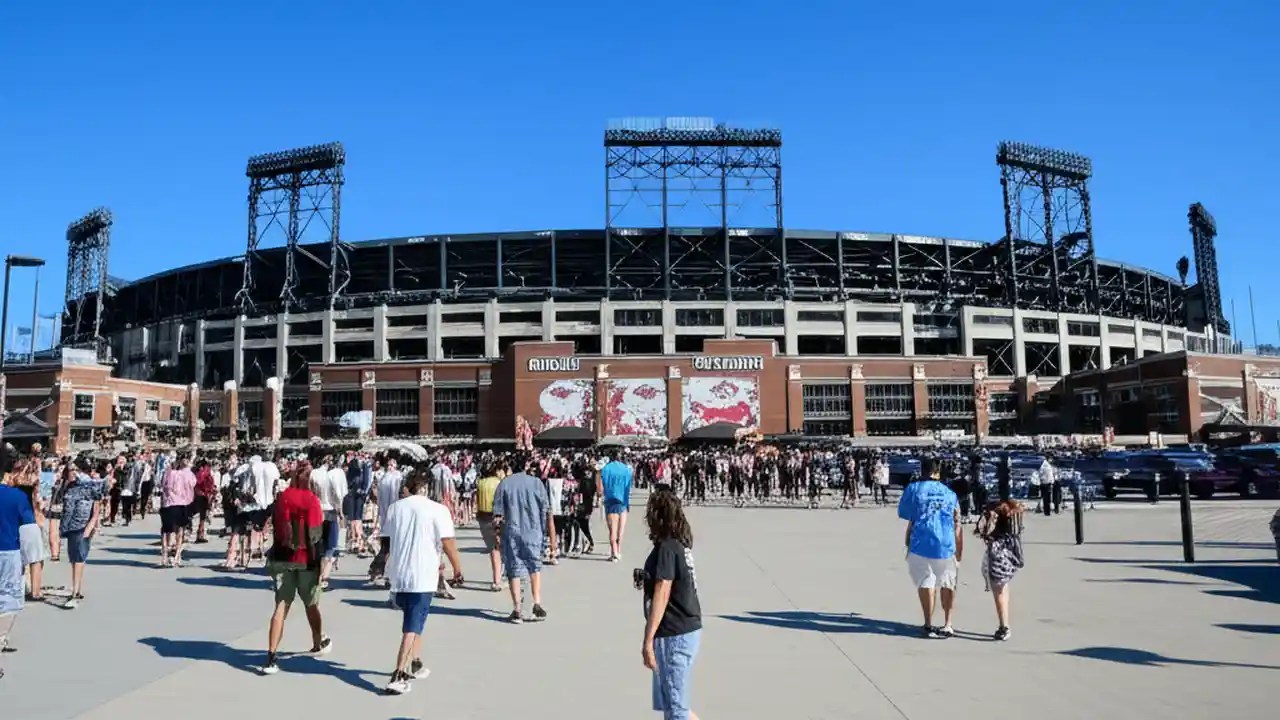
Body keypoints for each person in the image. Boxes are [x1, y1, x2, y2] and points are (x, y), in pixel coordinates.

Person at [382, 471, 464, 695]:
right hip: (423, 575)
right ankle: (398, 673)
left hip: (399, 575)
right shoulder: (438, 510)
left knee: (414, 619)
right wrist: (457, 567)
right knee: (411, 626)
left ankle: (415, 661)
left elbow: (387, 541)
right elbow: (447, 541)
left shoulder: (395, 508)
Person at [261, 462, 331, 675]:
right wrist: (322, 563)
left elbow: (277, 524)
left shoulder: (283, 497)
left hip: (283, 558)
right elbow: (315, 534)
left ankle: (271, 656)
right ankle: (317, 641)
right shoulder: (312, 500)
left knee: (281, 606)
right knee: (311, 603)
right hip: (306, 559)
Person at [640, 489, 703, 720]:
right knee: (674, 705)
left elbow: (662, 591)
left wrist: (648, 639)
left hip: (673, 632)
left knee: (676, 708)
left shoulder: (668, 548)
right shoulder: (679, 545)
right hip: (686, 628)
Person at [897, 471, 963, 638]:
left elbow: (908, 515)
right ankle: (948, 623)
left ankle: (928, 622)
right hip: (945, 543)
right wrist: (959, 549)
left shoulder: (914, 489)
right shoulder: (950, 494)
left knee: (927, 582)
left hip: (921, 541)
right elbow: (957, 524)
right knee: (948, 582)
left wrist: (907, 541)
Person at [492, 459, 551, 623]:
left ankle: (517, 609)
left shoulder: (504, 484)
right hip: (533, 530)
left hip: (512, 531)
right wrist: (545, 533)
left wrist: (497, 534)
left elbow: (498, 514)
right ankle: (536, 602)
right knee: (534, 566)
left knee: (514, 569)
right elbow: (545, 509)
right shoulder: (537, 483)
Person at [59, 459, 105, 608]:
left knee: (78, 559)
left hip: (82, 526)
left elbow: (96, 510)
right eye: (70, 470)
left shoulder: (91, 486)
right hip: (70, 527)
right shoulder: (68, 486)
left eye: (74, 470)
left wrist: (90, 528)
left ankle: (75, 592)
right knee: (74, 559)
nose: (72, 472)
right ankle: (77, 588)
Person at [976, 500, 1024, 641]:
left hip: (997, 558)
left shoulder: (993, 523)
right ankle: (1005, 623)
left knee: (999, 592)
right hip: (1010, 555)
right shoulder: (1013, 536)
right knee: (1004, 588)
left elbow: (982, 530)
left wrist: (989, 517)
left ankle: (1004, 626)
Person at [312, 456, 347, 589]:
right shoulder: (335, 474)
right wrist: (340, 511)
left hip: (317, 511)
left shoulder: (314, 473)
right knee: (329, 546)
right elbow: (338, 495)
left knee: (317, 543)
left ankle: (317, 575)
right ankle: (324, 577)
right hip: (331, 511)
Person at [368, 458, 404, 585]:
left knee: (387, 546)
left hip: (385, 517)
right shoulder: (398, 478)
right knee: (392, 548)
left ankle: (378, 569)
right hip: (396, 517)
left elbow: (378, 499)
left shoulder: (383, 479)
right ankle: (383, 571)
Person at [159, 456, 196, 568]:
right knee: (180, 530)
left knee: (166, 531)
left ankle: (165, 555)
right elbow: (193, 483)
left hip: (167, 504)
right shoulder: (186, 474)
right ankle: (177, 556)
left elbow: (161, 485)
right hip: (181, 504)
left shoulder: (167, 473)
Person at [475, 461, 505, 592]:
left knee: (493, 548)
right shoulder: (499, 483)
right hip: (496, 517)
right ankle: (498, 580)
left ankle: (497, 579)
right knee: (499, 549)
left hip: (483, 517)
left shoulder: (480, 483)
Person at [601, 455, 634, 562]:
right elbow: (628, 488)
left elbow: (602, 485)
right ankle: (618, 550)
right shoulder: (626, 469)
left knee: (612, 530)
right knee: (621, 530)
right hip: (623, 501)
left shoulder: (606, 469)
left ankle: (613, 552)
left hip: (610, 500)